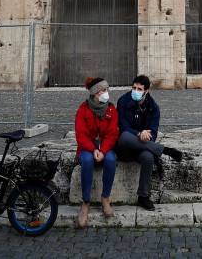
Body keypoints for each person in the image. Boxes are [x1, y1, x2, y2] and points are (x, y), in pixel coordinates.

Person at [114, 74, 185, 211]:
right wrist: (139, 134)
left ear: (147, 91)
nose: (135, 91)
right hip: (124, 147)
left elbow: (153, 132)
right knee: (124, 136)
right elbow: (123, 127)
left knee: (148, 157)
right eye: (134, 88)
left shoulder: (153, 108)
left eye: (139, 89)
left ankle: (143, 197)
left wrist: (146, 137)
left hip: (142, 147)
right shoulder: (123, 101)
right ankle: (165, 150)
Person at [74, 76, 118, 227]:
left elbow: (113, 133)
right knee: (86, 161)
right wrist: (93, 149)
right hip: (88, 147)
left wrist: (103, 150)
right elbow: (80, 134)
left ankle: (105, 197)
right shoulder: (83, 109)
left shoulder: (111, 109)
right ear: (95, 93)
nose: (107, 93)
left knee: (111, 160)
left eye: (107, 89)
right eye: (104, 90)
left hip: (105, 147)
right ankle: (86, 202)